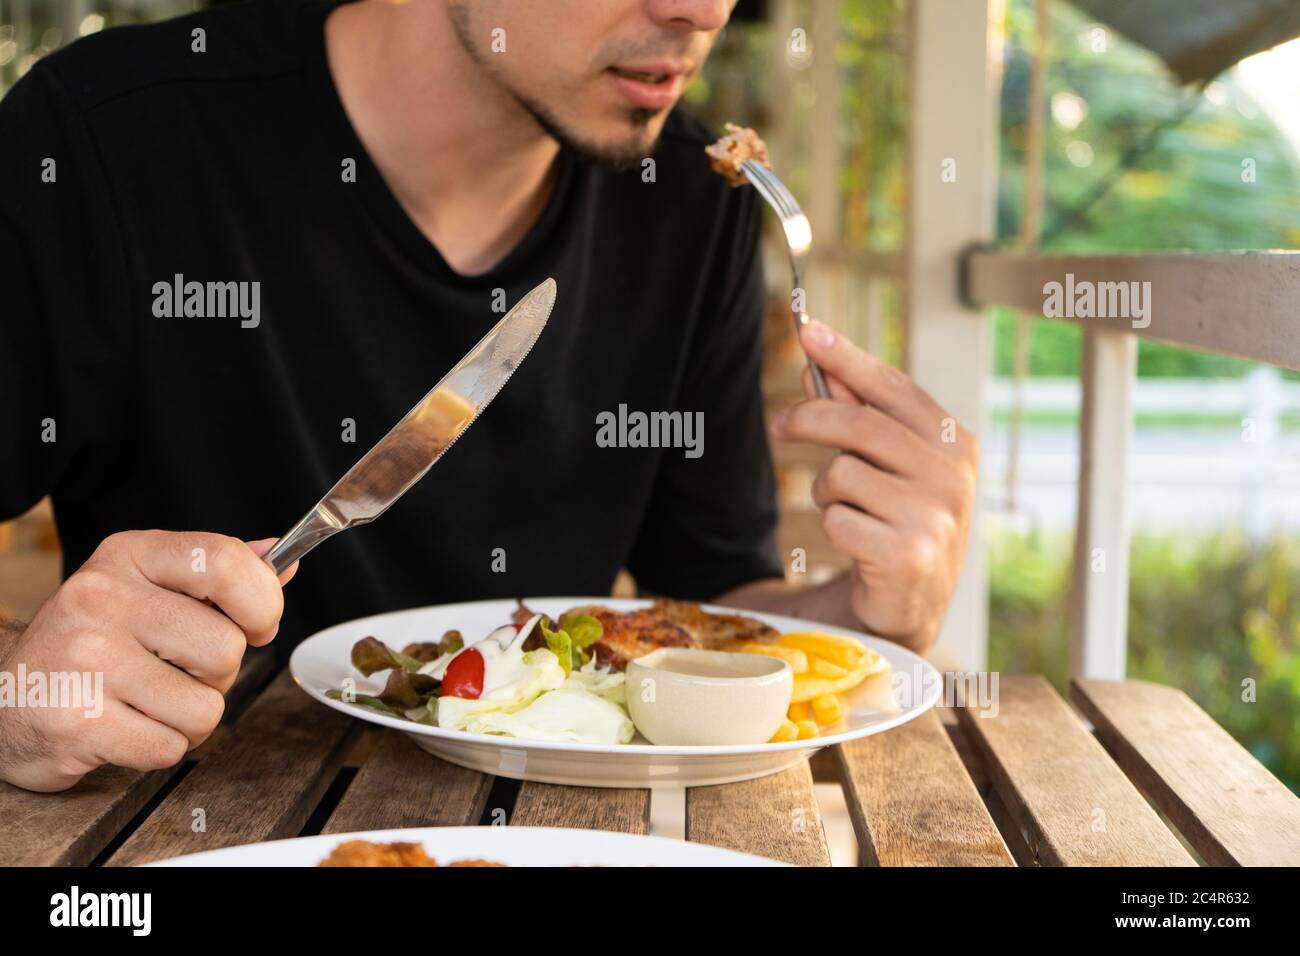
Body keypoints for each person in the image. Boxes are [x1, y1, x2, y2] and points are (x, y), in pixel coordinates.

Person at [0, 0, 976, 792]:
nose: (702, 9)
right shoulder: (105, 139)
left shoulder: (691, 198)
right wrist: (18, 695)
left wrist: (860, 618)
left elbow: (715, 607)